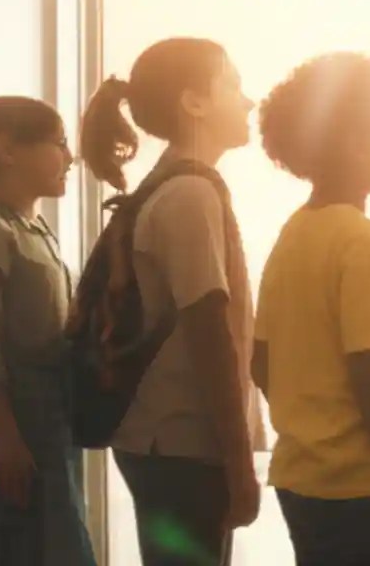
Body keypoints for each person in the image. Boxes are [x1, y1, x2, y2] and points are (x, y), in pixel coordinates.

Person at [252, 52, 370, 565]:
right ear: (353, 146)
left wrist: (312, 421)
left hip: (301, 477)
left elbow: (260, 361)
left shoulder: (294, 234)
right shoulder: (366, 244)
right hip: (361, 487)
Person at [79, 38, 263, 566]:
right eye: (233, 84)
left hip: (165, 442)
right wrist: (239, 461)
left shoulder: (177, 185)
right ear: (195, 102)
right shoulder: (189, 195)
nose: (247, 101)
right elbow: (209, 333)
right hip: (181, 444)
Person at [0, 97, 95, 566]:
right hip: (5, 418)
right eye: (59, 144)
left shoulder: (35, 228)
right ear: (9, 149)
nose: (69, 158)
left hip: (45, 415)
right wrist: (5, 435)